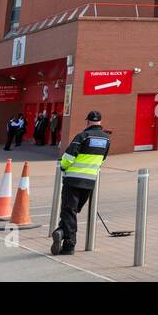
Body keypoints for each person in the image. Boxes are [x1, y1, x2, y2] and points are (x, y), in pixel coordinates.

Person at [51, 110, 112, 256]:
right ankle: (60, 231)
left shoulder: (82, 136)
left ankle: (69, 245)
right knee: (73, 211)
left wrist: (64, 166)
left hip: (73, 180)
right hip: (90, 181)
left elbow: (68, 157)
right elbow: (103, 159)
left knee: (68, 211)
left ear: (88, 122)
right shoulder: (106, 139)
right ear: (100, 122)